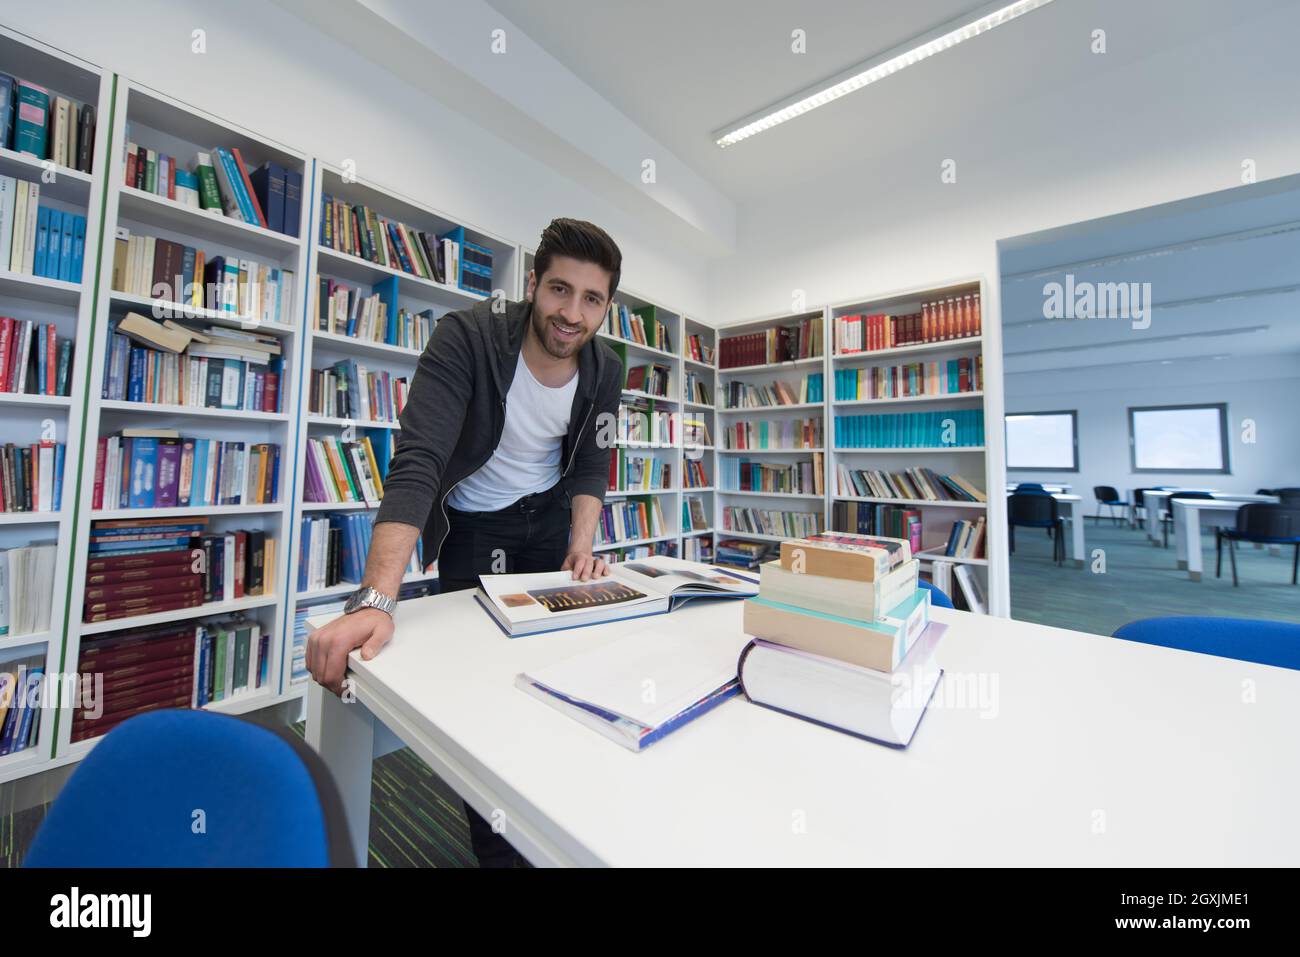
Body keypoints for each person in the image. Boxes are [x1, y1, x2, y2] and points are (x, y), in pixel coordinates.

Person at [306, 218, 626, 866]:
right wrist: (376, 598)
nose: (572, 313)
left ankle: (561, 823)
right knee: (486, 700)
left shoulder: (606, 368)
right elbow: (419, 459)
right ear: (532, 283)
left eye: (592, 299)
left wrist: (582, 546)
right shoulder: (468, 337)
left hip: (552, 522)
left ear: (606, 306)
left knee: (557, 682)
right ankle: (502, 851)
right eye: (559, 290)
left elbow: (594, 462)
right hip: (476, 530)